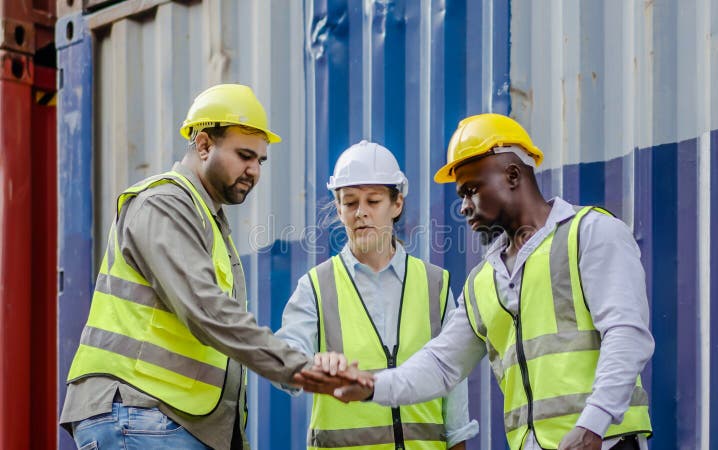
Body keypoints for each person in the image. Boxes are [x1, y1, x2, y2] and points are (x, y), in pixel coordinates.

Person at [309, 114, 654, 450]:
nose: (463, 206)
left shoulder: (590, 234)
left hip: (604, 442)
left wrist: (591, 425)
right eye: (461, 194)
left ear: (513, 175)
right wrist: (370, 386)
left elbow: (627, 335)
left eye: (472, 190)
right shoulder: (483, 282)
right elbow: (440, 366)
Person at [59, 84, 358, 450]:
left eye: (260, 161)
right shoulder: (163, 205)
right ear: (203, 146)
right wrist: (298, 367)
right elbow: (206, 311)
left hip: (167, 419)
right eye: (244, 155)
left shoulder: (207, 221)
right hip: (139, 414)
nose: (254, 171)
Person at [276, 140, 478, 449]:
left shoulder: (435, 284)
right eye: (350, 202)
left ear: (397, 204)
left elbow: (454, 389)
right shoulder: (315, 287)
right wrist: (313, 364)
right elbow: (284, 363)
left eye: (373, 201)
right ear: (338, 209)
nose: (361, 213)